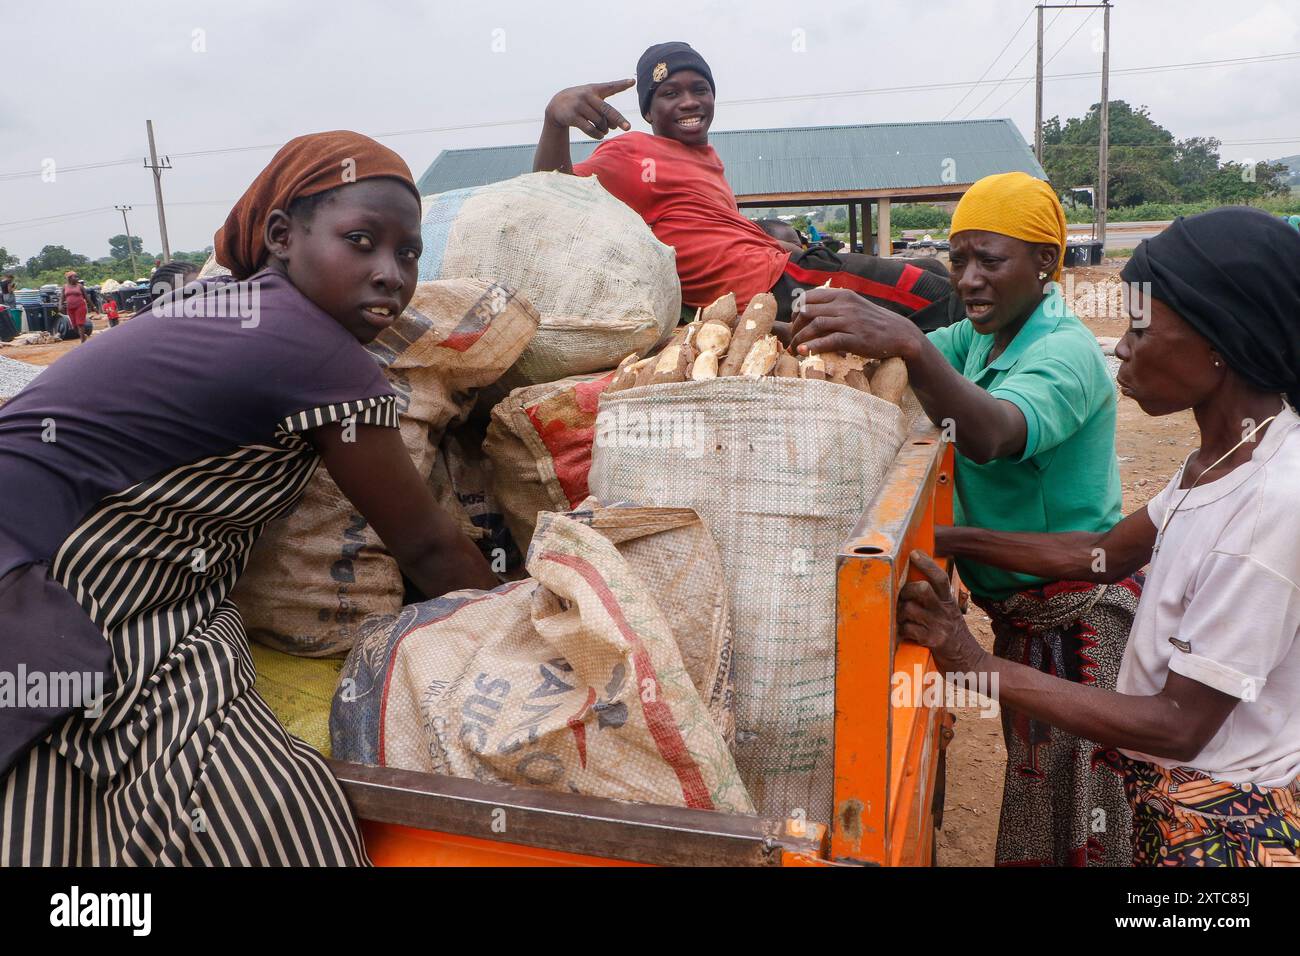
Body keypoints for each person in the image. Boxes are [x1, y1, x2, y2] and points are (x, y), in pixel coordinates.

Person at [0, 130, 498, 866]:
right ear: (281, 237)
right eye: (361, 241)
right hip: (64, 577)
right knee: (261, 807)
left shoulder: (234, 306)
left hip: (62, 565)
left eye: (409, 254)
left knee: (62, 798)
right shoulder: (309, 348)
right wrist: (512, 620)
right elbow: (424, 545)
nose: (390, 274)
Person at [899, 206, 1300, 867]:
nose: (1120, 346)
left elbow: (1177, 721)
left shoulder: (1270, 505)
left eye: (1140, 329)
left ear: (1220, 342)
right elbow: (1105, 554)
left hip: (1225, 826)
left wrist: (972, 664)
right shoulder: (1225, 458)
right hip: (1177, 796)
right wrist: (946, 537)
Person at [790, 171, 1134, 866]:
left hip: (1081, 621)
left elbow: (993, 433)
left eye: (991, 260)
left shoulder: (1060, 351)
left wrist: (911, 345)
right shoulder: (985, 340)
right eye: (959, 261)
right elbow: (897, 357)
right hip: (1026, 617)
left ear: (1045, 262)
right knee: (1045, 796)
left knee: (1089, 814)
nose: (970, 279)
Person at [533, 42, 955, 333]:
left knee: (937, 269)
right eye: (669, 93)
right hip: (770, 289)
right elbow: (553, 198)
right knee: (936, 294)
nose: (689, 101)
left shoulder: (706, 160)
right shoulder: (632, 153)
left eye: (700, 89)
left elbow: (720, 231)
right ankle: (994, 398)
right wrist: (555, 120)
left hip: (789, 268)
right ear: (647, 111)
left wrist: (782, 246)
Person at [58, 270, 91, 343]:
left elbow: (86, 297)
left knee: (80, 324)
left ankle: (83, 341)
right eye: (75, 277)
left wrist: (93, 306)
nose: (77, 278)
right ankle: (83, 336)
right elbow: (61, 298)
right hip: (70, 308)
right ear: (69, 278)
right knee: (74, 326)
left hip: (80, 307)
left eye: (77, 277)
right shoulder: (65, 287)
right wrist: (60, 305)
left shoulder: (80, 286)